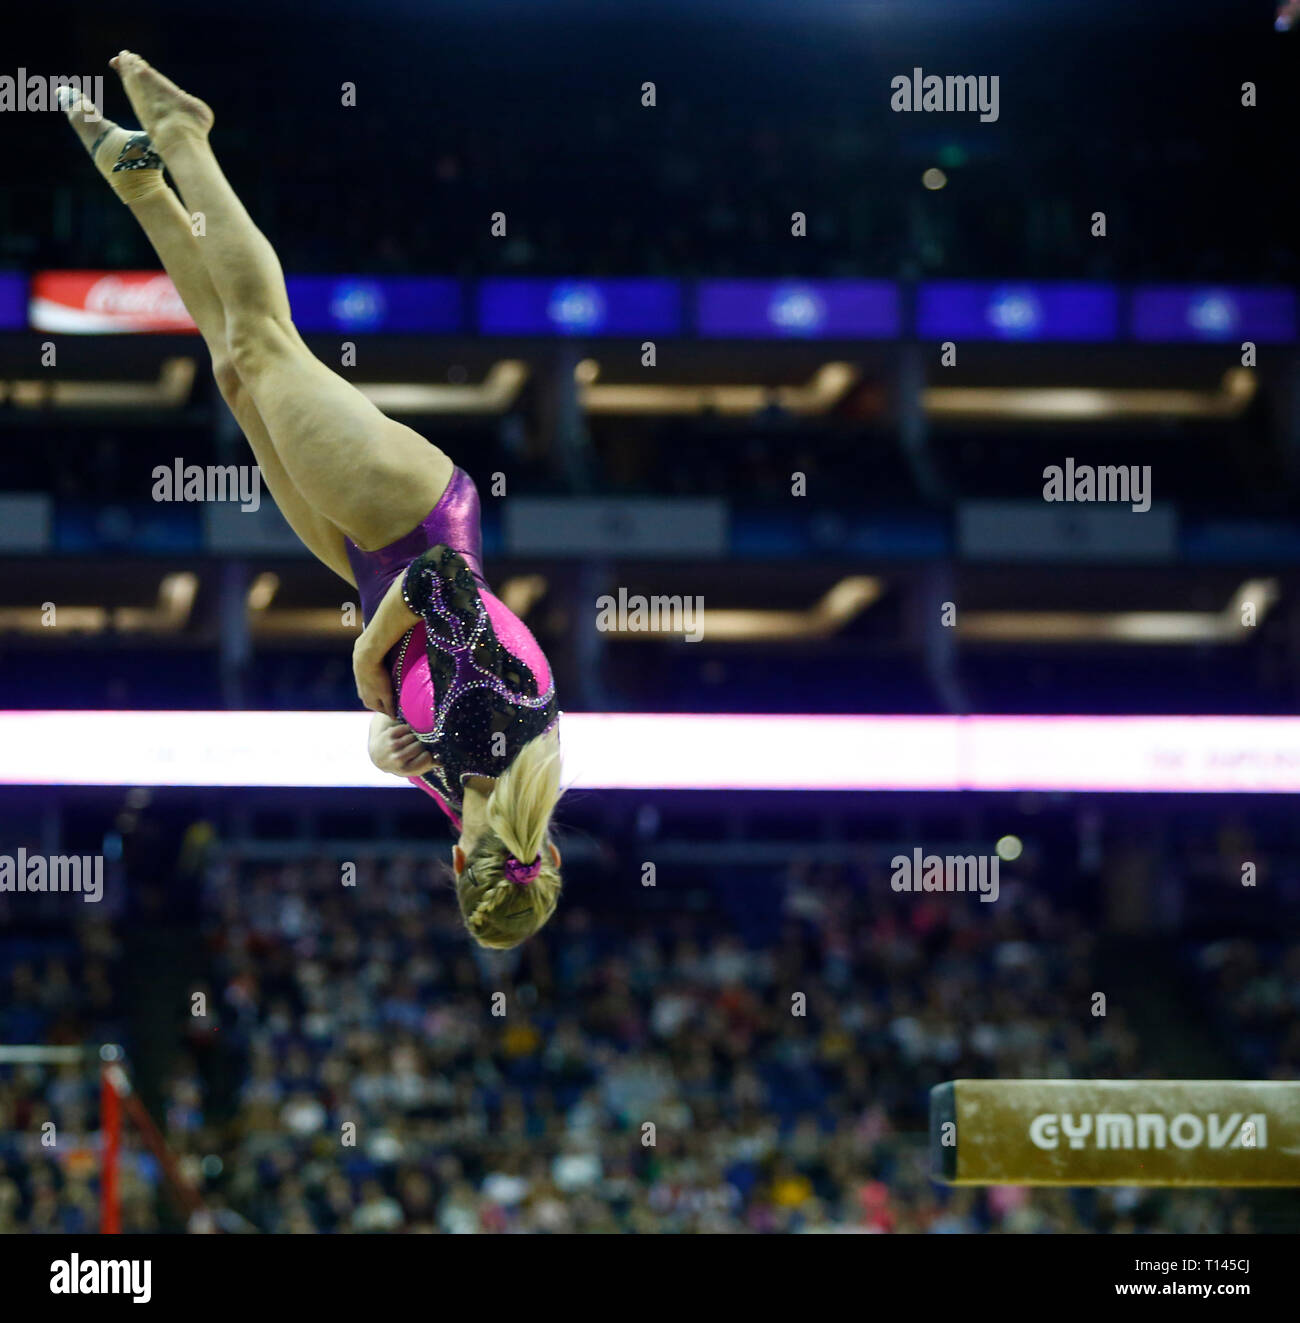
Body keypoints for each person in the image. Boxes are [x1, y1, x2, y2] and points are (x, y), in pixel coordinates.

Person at [61, 54, 563, 948]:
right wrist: (369, 665)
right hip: (417, 523)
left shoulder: (467, 799)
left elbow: (405, 736)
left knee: (234, 371)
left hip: (367, 563)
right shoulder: (515, 731)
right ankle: (185, 136)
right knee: (263, 342)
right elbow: (447, 581)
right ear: (463, 867)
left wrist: (382, 749)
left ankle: (136, 178)